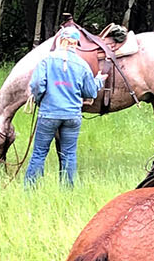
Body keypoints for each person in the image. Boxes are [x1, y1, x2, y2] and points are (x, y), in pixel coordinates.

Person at [24, 26, 100, 186]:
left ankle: (30, 189)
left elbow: (37, 84)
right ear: (76, 44)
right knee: (69, 154)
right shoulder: (82, 64)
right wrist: (99, 80)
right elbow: (91, 92)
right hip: (73, 116)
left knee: (39, 153)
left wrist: (38, 100)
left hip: (48, 115)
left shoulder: (46, 60)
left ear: (61, 40)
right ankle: (68, 190)